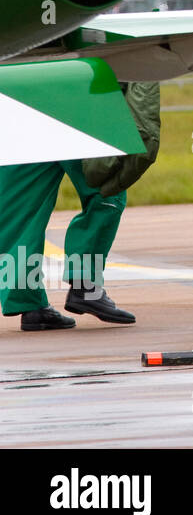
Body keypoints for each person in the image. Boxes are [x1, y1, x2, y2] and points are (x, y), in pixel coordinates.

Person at [0, 81, 160, 330]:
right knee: (106, 188)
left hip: (21, 100)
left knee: (19, 208)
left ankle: (27, 301)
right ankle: (86, 284)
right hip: (73, 98)